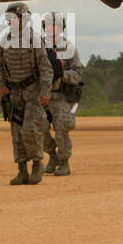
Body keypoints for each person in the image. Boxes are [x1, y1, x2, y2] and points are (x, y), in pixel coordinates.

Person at [0, 2, 52, 185]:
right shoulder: (5, 40)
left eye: (14, 17)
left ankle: (37, 164)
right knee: (16, 132)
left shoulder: (34, 40)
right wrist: (2, 86)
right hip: (14, 93)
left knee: (30, 129)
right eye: (8, 18)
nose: (10, 21)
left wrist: (45, 92)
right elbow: (0, 67)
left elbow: (46, 69)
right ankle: (22, 171)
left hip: (33, 92)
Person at [41, 11, 83, 177]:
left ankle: (64, 162)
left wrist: (62, 75)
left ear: (62, 28)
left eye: (56, 25)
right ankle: (53, 156)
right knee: (39, 128)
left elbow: (78, 73)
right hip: (42, 95)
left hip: (61, 96)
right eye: (49, 25)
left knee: (61, 129)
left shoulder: (68, 47)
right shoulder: (37, 46)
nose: (53, 28)